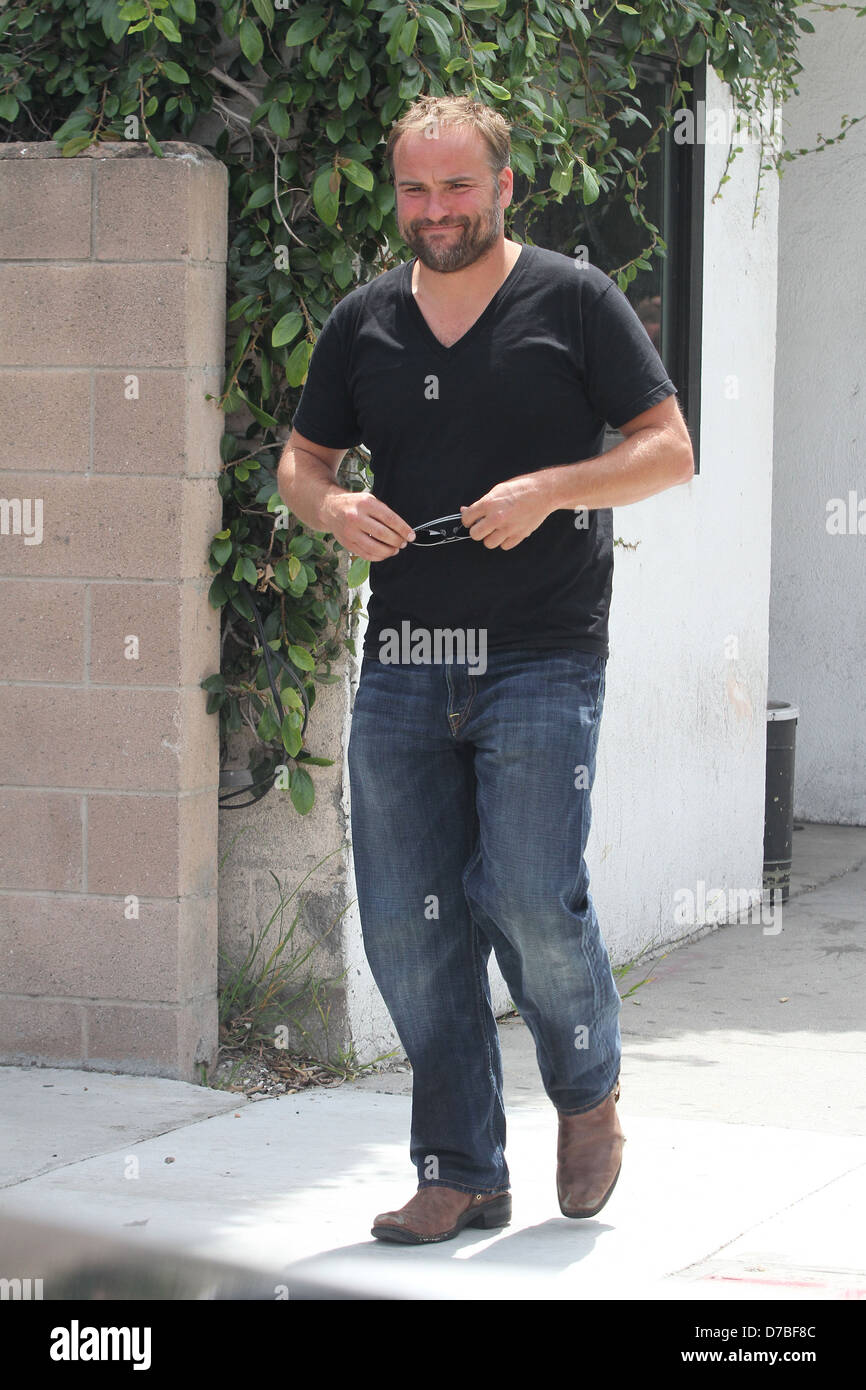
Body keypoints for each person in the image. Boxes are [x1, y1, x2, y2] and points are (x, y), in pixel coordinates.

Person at [277, 95, 694, 1245]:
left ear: (503, 187)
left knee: (522, 892)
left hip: (540, 653)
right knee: (409, 926)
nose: (435, 210)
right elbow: (301, 462)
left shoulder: (572, 300)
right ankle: (460, 1167)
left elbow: (667, 448)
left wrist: (553, 485)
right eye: (415, 190)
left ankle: (586, 1087)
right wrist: (331, 505)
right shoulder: (364, 323)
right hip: (407, 657)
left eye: (456, 187)